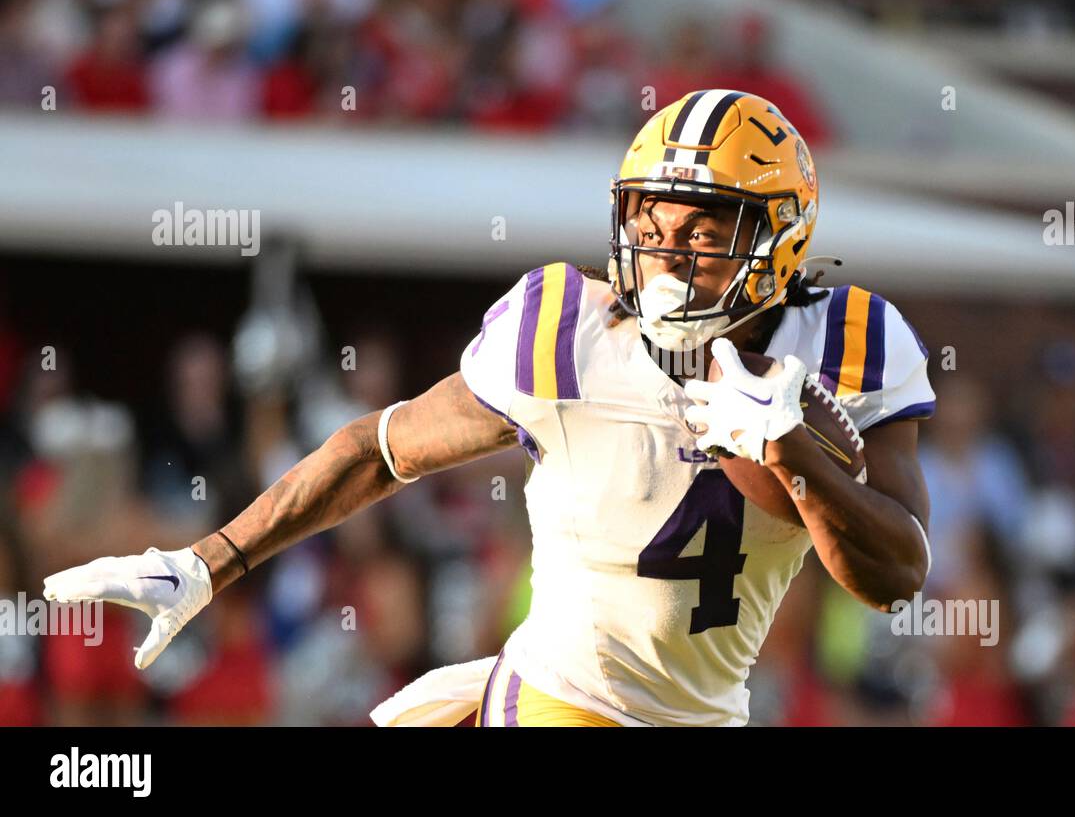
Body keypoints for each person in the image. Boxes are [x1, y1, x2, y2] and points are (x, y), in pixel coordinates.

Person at [43, 90, 936, 727]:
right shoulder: (572, 327)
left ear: (780, 238)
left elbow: (894, 576)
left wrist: (794, 454)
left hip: (706, 711)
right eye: (653, 224)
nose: (668, 253)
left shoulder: (849, 344)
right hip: (562, 697)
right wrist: (205, 563)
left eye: (704, 230)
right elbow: (378, 449)